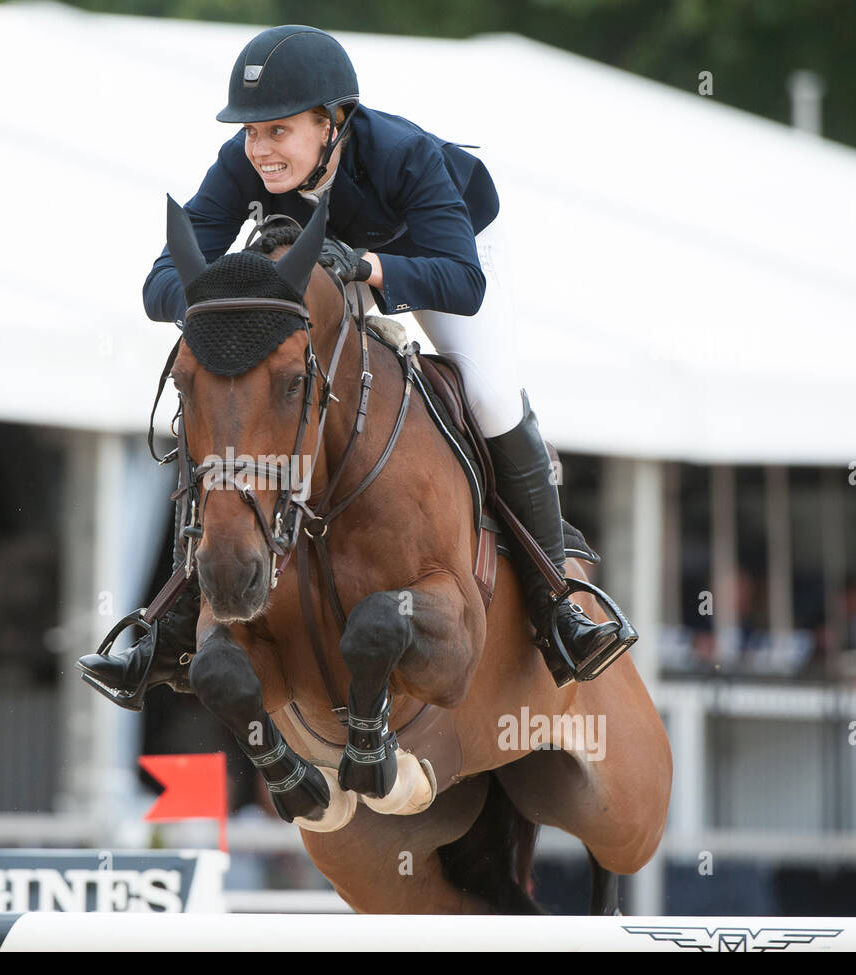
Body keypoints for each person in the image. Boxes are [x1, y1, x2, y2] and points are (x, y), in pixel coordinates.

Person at [79, 24, 628, 699]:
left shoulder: (407, 158)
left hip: (441, 252)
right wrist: (214, 298)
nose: (260, 148)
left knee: (487, 394)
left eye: (277, 130)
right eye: (252, 132)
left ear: (331, 123)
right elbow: (162, 278)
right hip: (327, 269)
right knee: (227, 406)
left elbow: (462, 280)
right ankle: (171, 630)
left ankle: (558, 608)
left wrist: (368, 267)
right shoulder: (240, 163)